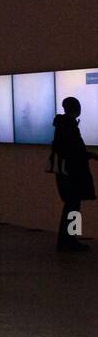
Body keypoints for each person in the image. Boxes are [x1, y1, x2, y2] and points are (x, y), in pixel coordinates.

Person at [48, 97, 97, 252]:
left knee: (71, 206)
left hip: (67, 173)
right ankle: (70, 241)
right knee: (73, 207)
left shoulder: (63, 125)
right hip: (72, 173)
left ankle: (68, 240)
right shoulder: (69, 127)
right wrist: (90, 155)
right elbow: (74, 151)